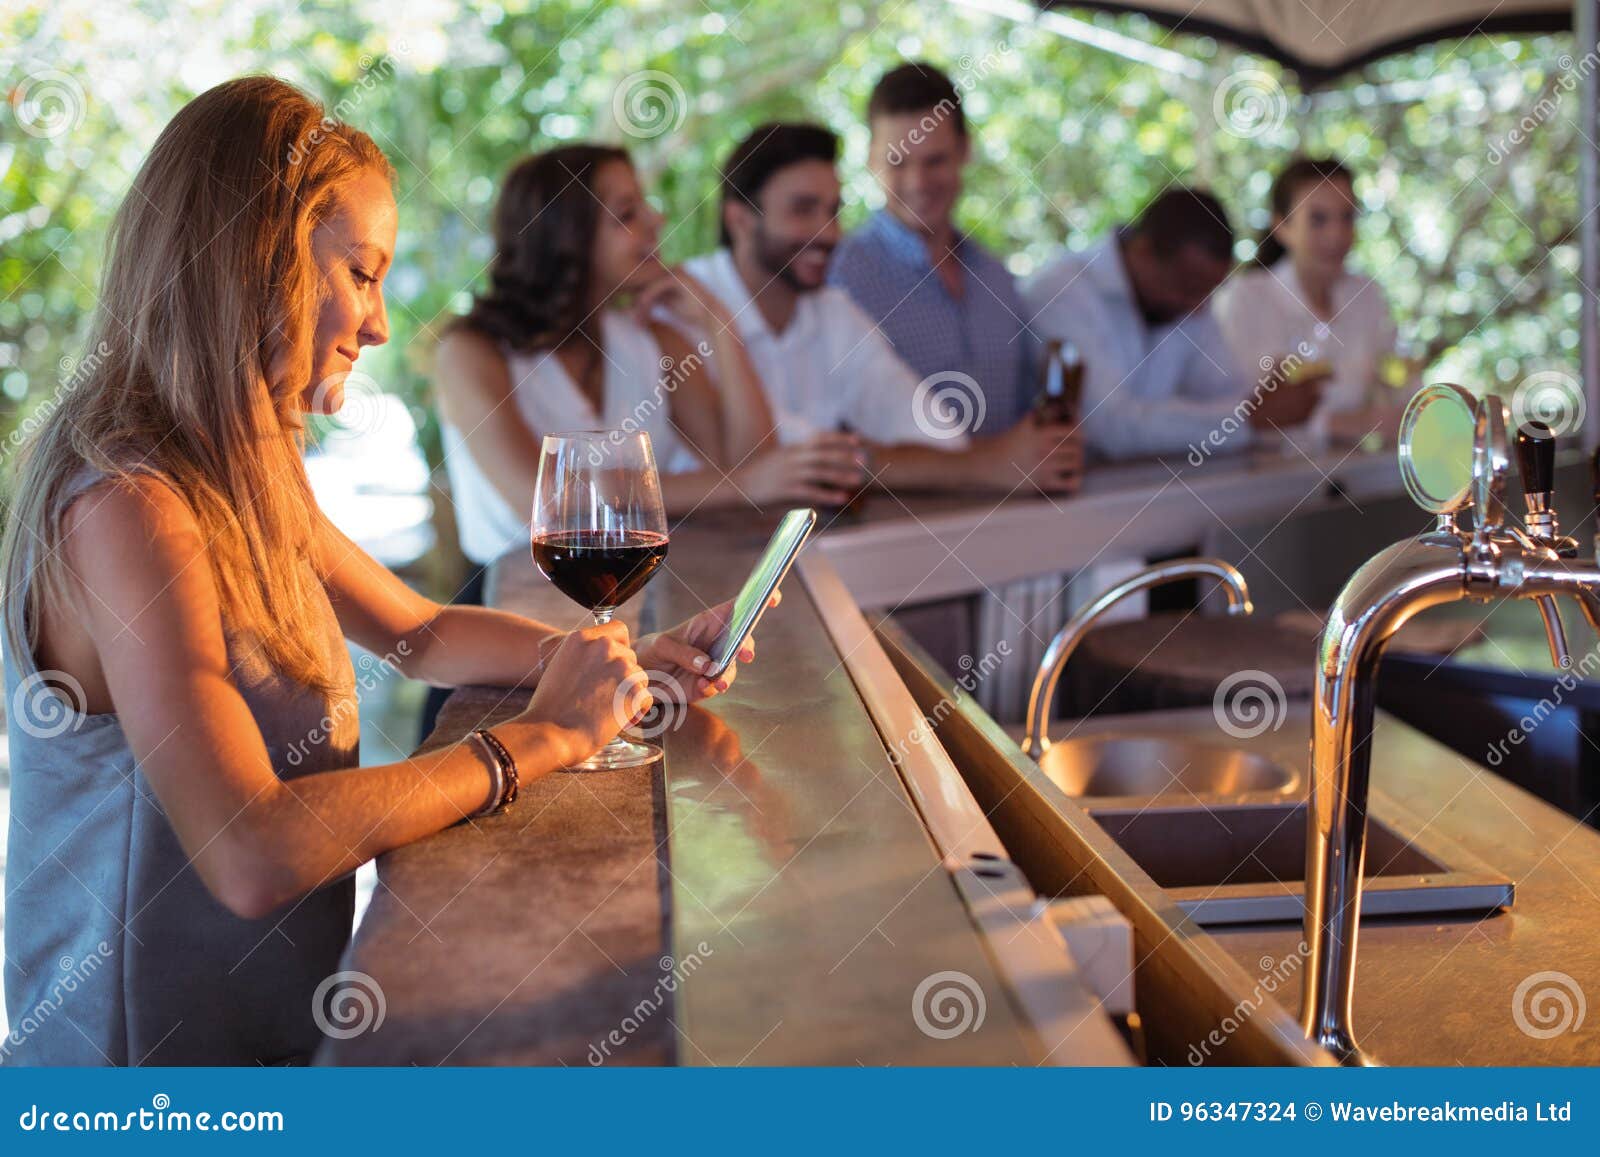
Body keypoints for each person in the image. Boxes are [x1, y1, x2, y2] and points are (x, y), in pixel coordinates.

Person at [0, 77, 768, 1066]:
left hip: (254, 1042)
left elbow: (420, 630)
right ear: (252, 260)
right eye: (361, 274)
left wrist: (618, 652)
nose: (378, 325)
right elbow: (251, 852)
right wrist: (538, 740)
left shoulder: (242, 463)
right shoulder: (129, 504)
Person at [686, 121, 1081, 494]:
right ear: (739, 220)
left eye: (833, 211)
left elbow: (933, 433)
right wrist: (988, 463)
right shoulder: (681, 305)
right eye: (803, 210)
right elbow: (784, 462)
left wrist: (982, 461)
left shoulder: (832, 310)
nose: (828, 233)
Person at [829, 61, 1079, 495]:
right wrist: (988, 463)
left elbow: (1028, 414)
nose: (917, 181)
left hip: (1014, 530)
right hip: (893, 539)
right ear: (870, 159)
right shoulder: (840, 279)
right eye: (897, 162)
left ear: (965, 151)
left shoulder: (997, 277)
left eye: (935, 160)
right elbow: (830, 446)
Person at [1021, 187, 1322, 461]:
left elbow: (1225, 391)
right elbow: (1106, 426)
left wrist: (1264, 403)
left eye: (1208, 292)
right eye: (1188, 288)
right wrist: (1248, 419)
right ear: (1143, 252)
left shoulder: (1188, 300)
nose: (1198, 307)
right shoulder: (1062, 293)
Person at [1213, 157, 1402, 445]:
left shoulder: (1366, 296)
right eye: (1318, 219)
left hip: (1355, 476)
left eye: (1347, 217)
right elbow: (1241, 413)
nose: (1337, 234)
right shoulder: (1245, 298)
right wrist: (1340, 424)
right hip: (1260, 479)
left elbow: (1401, 382)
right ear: (1282, 226)